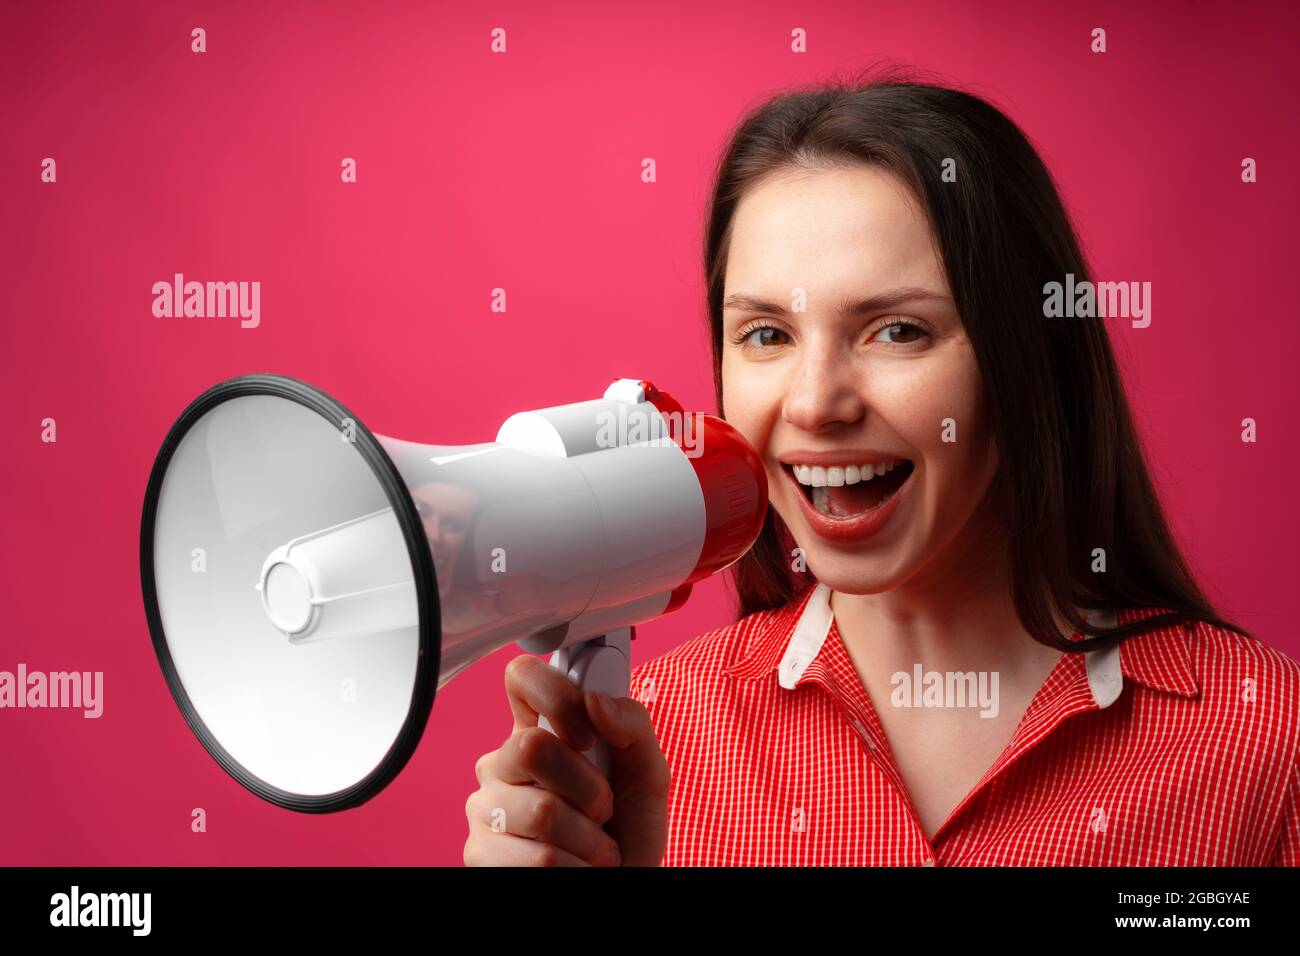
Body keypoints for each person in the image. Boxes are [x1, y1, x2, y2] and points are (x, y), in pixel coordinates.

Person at [462, 73, 1300, 866]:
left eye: (896, 330)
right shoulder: (646, 745)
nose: (816, 403)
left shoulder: (1259, 737)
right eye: (765, 334)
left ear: (1029, 359)